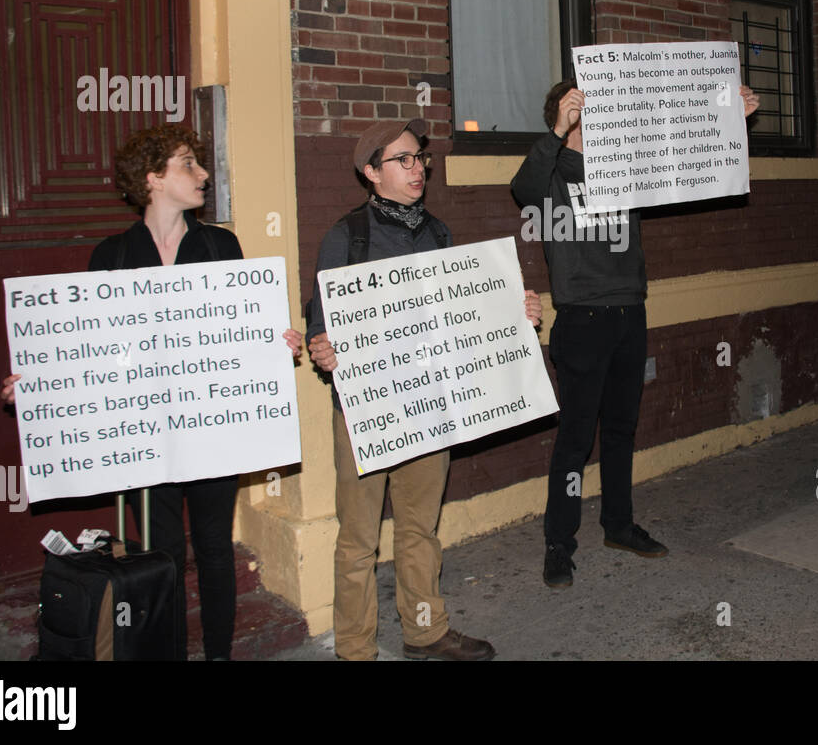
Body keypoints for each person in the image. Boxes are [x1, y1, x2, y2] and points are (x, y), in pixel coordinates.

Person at [2, 124, 304, 660]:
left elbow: (242, 333)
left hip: (213, 427)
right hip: (147, 431)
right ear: (153, 180)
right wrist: (42, 384)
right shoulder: (112, 257)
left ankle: (216, 655)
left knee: (213, 548)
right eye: (189, 163)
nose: (204, 174)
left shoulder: (219, 245)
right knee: (160, 552)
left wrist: (277, 341)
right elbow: (88, 351)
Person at [306, 117, 541, 661]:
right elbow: (322, 321)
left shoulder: (437, 234)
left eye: (420, 159)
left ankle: (424, 632)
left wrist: (515, 312)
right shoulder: (347, 236)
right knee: (359, 540)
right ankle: (355, 649)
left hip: (430, 403)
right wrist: (323, 345)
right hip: (366, 413)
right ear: (371, 173)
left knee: (419, 529)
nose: (417, 170)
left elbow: (461, 315)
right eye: (403, 160)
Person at [512, 78, 758, 588]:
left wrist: (733, 119)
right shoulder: (552, 171)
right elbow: (522, 189)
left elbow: (691, 166)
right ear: (563, 115)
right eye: (583, 108)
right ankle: (559, 543)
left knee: (622, 429)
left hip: (630, 312)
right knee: (576, 439)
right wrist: (559, 129)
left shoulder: (625, 163)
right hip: (582, 318)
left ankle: (619, 525)